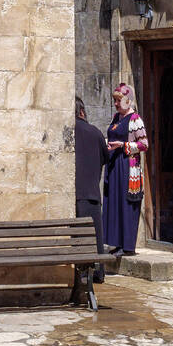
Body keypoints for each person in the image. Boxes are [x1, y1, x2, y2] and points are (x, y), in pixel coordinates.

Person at [102, 82, 148, 255]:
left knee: (126, 204)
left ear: (128, 101)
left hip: (127, 167)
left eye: (118, 100)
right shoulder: (116, 118)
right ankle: (115, 242)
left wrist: (123, 145)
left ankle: (127, 245)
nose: (115, 103)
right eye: (114, 100)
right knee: (114, 201)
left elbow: (144, 144)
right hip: (114, 165)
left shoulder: (135, 119)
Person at [75, 97, 108, 284]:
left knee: (78, 237)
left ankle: (80, 274)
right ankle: (97, 272)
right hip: (92, 193)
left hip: (75, 193)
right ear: (82, 112)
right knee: (95, 236)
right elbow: (106, 157)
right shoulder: (95, 132)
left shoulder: (69, 131)